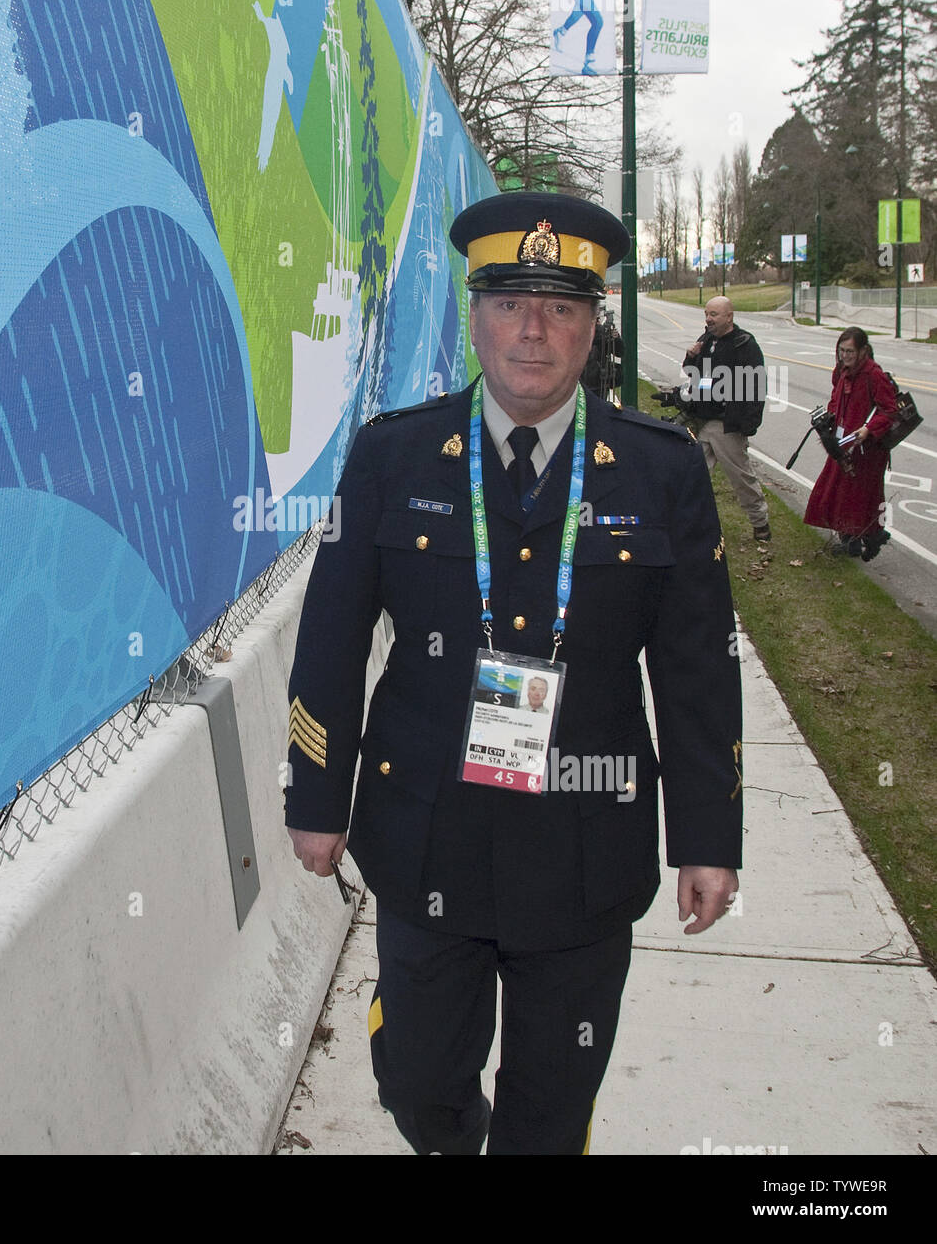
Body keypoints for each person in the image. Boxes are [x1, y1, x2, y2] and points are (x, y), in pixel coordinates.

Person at [284, 192, 743, 1156]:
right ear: (474, 313)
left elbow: (698, 673)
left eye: (562, 306)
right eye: (508, 302)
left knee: (550, 1111)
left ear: (592, 326)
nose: (533, 329)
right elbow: (330, 635)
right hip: (426, 836)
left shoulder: (659, 472)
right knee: (417, 1084)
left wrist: (709, 837)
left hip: (585, 847)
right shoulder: (392, 456)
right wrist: (317, 796)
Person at [678, 296, 771, 542]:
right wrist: (690, 356)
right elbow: (692, 373)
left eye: (714, 315)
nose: (709, 319)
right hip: (701, 419)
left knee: (740, 475)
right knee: (694, 475)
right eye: (707, 314)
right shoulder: (705, 340)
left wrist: (748, 424)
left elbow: (756, 386)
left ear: (729, 316)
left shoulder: (744, 344)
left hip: (727, 424)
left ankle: (760, 522)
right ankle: (691, 522)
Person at [804, 327, 896, 562]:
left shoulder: (874, 375)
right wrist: (828, 422)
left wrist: (868, 429)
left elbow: (889, 411)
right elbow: (836, 399)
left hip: (868, 448)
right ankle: (852, 540)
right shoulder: (843, 372)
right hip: (844, 443)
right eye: (841, 351)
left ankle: (872, 536)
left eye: (850, 351)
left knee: (860, 497)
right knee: (838, 493)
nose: (845, 356)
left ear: (863, 350)